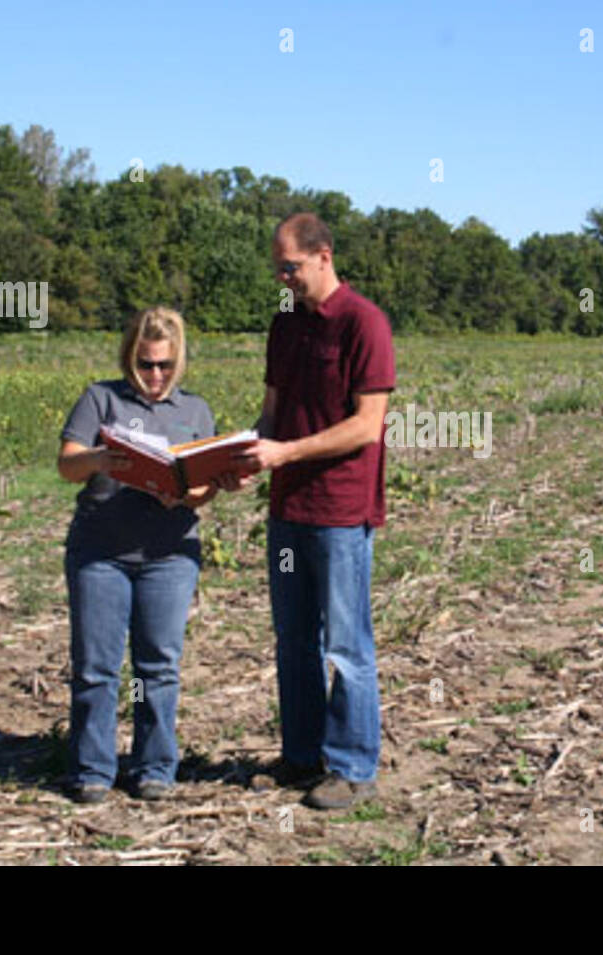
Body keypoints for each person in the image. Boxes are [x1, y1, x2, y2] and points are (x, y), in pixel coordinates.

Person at [238, 212, 395, 810]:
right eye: (279, 269)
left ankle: (354, 769)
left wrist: (288, 452)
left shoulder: (364, 323)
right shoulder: (285, 324)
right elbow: (272, 410)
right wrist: (246, 453)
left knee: (347, 644)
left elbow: (366, 425)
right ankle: (302, 757)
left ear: (323, 256)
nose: (284, 279)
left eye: (292, 267)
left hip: (339, 512)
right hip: (287, 511)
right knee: (293, 639)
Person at [56, 306, 218, 803]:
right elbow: (67, 465)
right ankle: (91, 769)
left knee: (159, 666)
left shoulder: (194, 412)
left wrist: (186, 493)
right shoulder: (100, 398)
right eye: (145, 364)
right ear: (129, 359)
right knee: (96, 666)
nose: (153, 376)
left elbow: (206, 483)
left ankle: (154, 767)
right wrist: (102, 459)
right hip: (100, 552)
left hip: (169, 553)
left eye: (164, 366)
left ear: (179, 363)